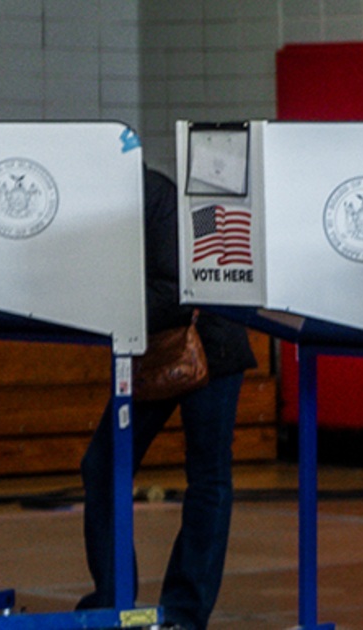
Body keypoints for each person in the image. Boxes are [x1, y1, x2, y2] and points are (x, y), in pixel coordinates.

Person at [77, 168, 256, 630]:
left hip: (208, 345)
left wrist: (100, 304)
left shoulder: (153, 197)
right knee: (103, 466)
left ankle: (184, 612)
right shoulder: (102, 208)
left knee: (208, 477)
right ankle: (112, 599)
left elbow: (178, 290)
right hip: (157, 348)